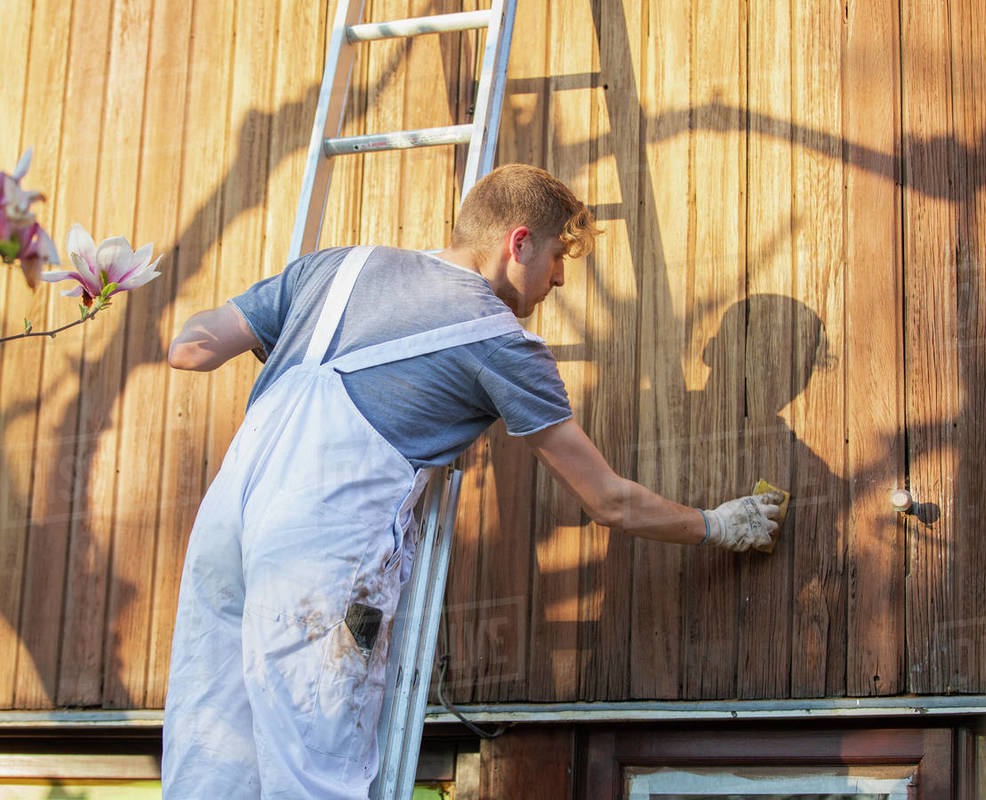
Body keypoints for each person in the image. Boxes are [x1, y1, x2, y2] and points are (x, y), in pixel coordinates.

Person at [163, 164, 783, 799]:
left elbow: (189, 349)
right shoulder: (500, 342)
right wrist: (714, 525)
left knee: (210, 757)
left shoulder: (334, 267)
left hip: (222, 533)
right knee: (316, 774)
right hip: (319, 558)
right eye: (556, 258)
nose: (560, 279)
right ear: (518, 244)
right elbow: (608, 500)